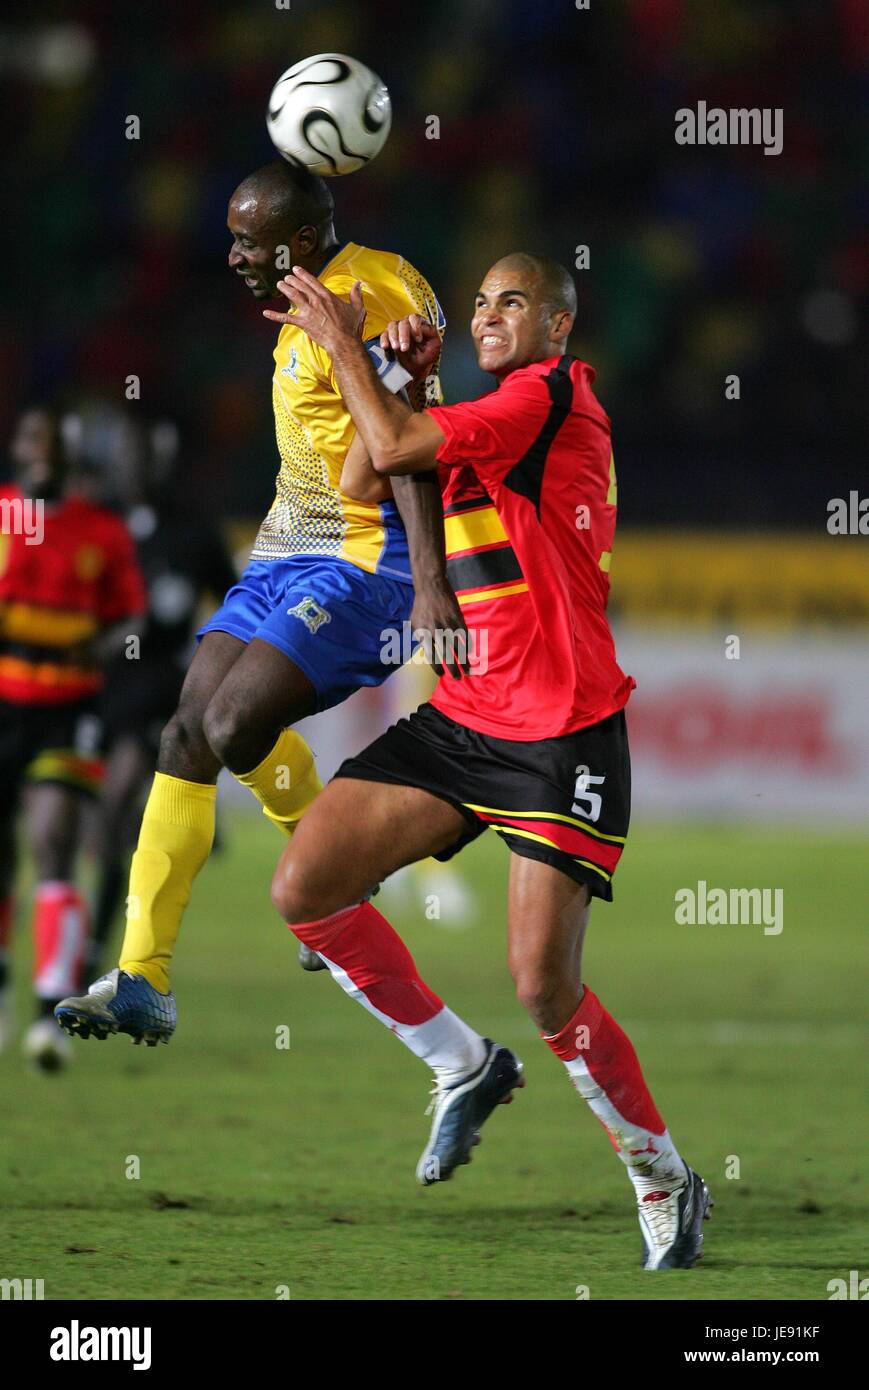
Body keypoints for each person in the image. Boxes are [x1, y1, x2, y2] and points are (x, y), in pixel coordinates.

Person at [266, 251, 711, 1270]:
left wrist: (342, 344)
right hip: (469, 719)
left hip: (560, 728)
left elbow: (392, 441)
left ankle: (661, 1176)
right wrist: (402, 378)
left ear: (558, 327)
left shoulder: (546, 399)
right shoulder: (479, 422)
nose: (487, 312)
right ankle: (459, 1065)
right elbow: (359, 473)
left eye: (513, 300)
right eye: (478, 301)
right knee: (306, 883)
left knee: (542, 984)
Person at [55, 159, 461, 1046]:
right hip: (287, 549)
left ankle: (338, 867)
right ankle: (142, 980)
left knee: (237, 724)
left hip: (369, 562)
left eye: (249, 240)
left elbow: (410, 446)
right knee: (187, 729)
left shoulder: (371, 297)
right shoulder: (311, 298)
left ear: (302, 240)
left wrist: (432, 583)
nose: (234, 255)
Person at [0, 406, 145, 1068]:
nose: (44, 453)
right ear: (19, 447)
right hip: (4, 700)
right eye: (34, 440)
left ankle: (48, 1010)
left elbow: (128, 616)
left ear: (69, 454)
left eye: (55, 443)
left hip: (68, 707)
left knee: (53, 840)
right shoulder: (8, 517)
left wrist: (105, 644)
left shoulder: (101, 531)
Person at [86, 417, 238, 977]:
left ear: (163, 460)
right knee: (105, 818)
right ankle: (102, 932)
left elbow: (233, 600)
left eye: (145, 455)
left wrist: (210, 659)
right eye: (127, 455)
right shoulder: (100, 523)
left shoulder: (192, 531)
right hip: (99, 689)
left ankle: (100, 948)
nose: (135, 467)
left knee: (118, 795)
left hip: (163, 689)